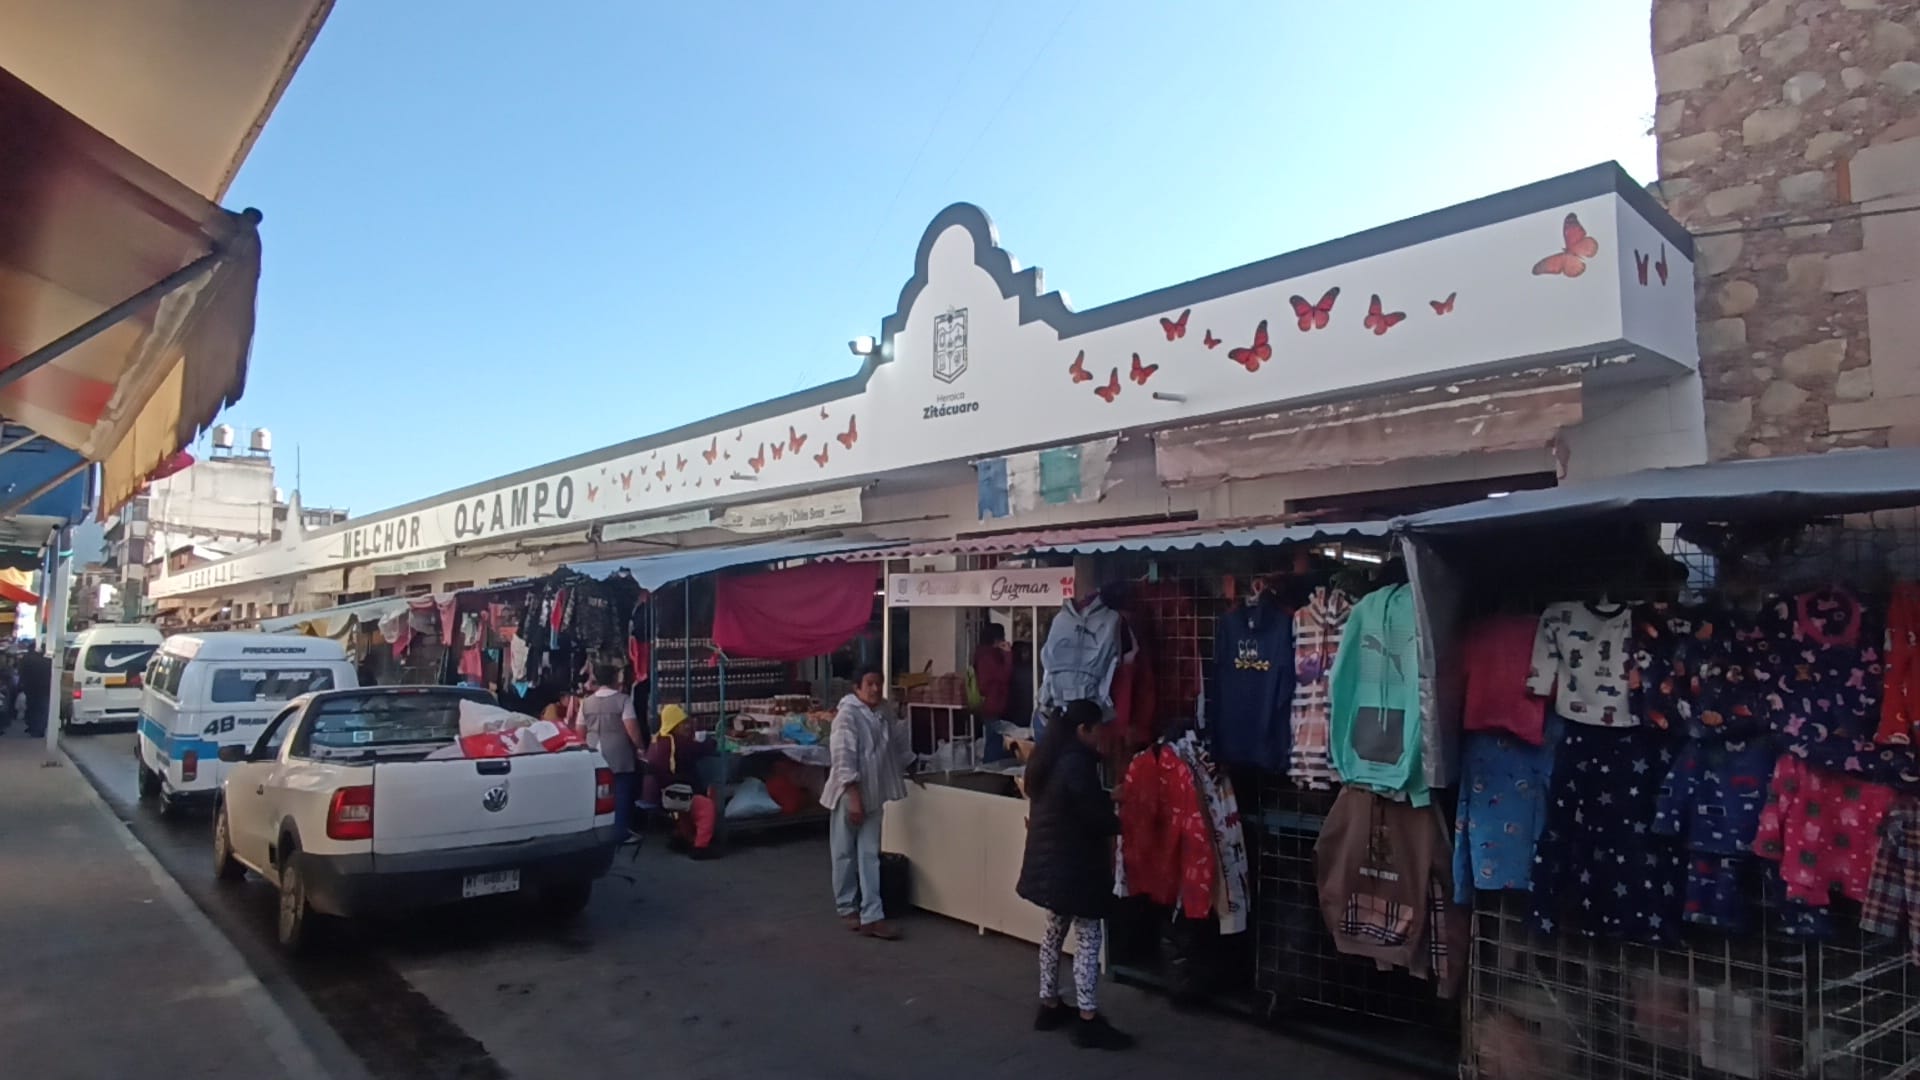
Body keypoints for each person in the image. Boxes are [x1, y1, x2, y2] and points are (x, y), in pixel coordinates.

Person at [1015, 698, 1132, 1050]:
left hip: (1053, 865)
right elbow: (1091, 815)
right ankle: (1087, 1018)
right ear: (1084, 730)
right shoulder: (1077, 763)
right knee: (1088, 936)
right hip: (1076, 865)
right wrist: (1122, 819)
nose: (1101, 737)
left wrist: (1109, 796)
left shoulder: (1049, 757)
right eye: (1097, 730)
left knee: (1053, 931)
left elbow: (1072, 803)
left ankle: (1049, 1003)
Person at [822, 667, 911, 940]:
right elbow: (843, 758)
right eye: (870, 684)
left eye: (878, 684)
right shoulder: (847, 716)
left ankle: (872, 914)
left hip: (875, 793)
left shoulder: (883, 711)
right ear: (856, 687)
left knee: (869, 855)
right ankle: (847, 907)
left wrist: (911, 766)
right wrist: (854, 799)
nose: (875, 689)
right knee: (844, 854)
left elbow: (896, 745)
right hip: (849, 795)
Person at [577, 665, 641, 832]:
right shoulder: (623, 700)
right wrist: (640, 747)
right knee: (620, 793)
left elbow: (579, 731)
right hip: (619, 753)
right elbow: (631, 728)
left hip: (593, 753)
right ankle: (619, 832)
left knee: (595, 795)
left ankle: (596, 829)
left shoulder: (586, 703)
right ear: (614, 679)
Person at [973, 623, 1013, 725]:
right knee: (995, 737)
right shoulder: (990, 657)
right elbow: (1004, 675)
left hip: (989, 702)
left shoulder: (983, 654)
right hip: (994, 703)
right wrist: (1008, 655)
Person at [20, 646, 51, 738]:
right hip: (44, 689)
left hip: (30, 688)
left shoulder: (27, 660)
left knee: (32, 707)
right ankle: (39, 730)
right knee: (42, 710)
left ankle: (32, 726)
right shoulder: (48, 662)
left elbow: (22, 673)